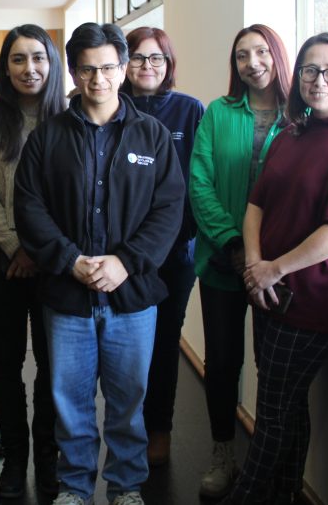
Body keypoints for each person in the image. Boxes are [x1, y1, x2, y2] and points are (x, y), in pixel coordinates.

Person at [14, 22, 185, 505]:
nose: (99, 80)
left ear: (124, 67)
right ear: (73, 71)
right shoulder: (48, 137)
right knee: (70, 404)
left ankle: (126, 486)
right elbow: (28, 206)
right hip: (68, 293)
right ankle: (74, 487)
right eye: (87, 70)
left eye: (108, 68)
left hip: (132, 296)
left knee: (128, 403)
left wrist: (126, 263)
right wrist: (70, 261)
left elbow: (169, 208)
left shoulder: (151, 136)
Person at [225, 32, 328, 504]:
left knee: (272, 410)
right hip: (268, 291)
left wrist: (273, 269)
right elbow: (256, 205)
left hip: (311, 302)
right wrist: (256, 266)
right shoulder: (291, 133)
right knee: (288, 405)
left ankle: (247, 496)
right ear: (296, 77)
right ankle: (284, 495)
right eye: (309, 71)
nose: (319, 80)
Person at [189, 24, 292, 500]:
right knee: (224, 362)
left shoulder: (304, 117)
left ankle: (268, 462)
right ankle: (223, 454)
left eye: (260, 52)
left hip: (281, 267)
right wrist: (232, 243)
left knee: (272, 369)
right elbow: (200, 183)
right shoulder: (218, 113)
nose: (252, 63)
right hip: (224, 262)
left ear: (277, 54)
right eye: (241, 56)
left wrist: (267, 260)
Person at [0, 25, 65, 499]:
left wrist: (41, 251)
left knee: (53, 365)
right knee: (5, 362)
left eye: (39, 58)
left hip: (55, 265)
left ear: (53, 63)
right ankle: (14, 458)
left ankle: (47, 458)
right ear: (5, 68)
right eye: (19, 59)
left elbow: (74, 198)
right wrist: (14, 246)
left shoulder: (69, 117)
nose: (31, 68)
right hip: (0, 262)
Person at [121, 27, 205, 467]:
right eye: (137, 58)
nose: (147, 66)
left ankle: (159, 427)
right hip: (122, 252)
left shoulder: (190, 110)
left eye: (156, 59)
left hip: (174, 252)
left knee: (164, 341)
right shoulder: (111, 108)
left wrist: (182, 233)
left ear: (169, 64)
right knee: (122, 343)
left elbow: (197, 182)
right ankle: (123, 426)